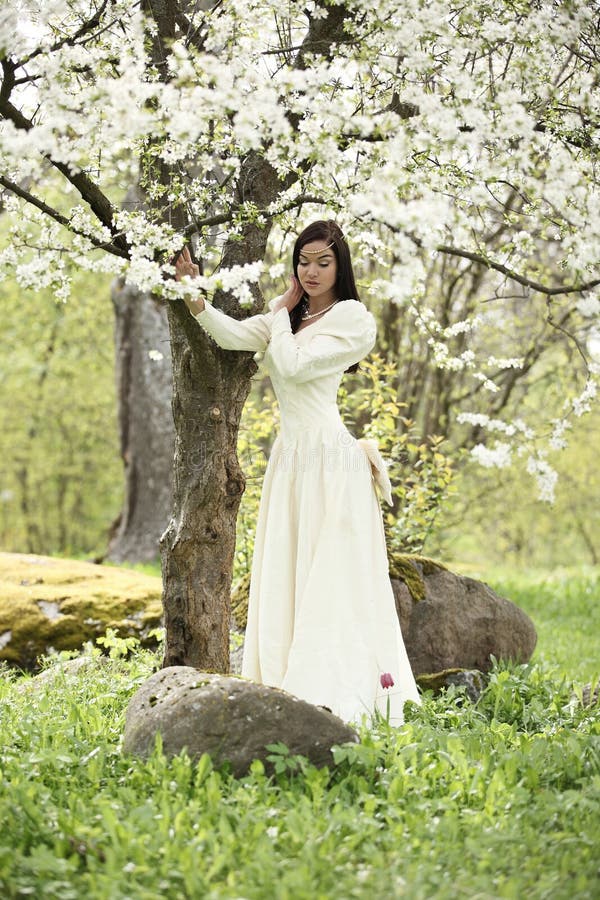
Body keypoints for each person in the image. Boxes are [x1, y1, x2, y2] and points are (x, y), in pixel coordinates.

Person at [175, 220, 420, 725]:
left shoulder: (353, 319)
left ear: (340, 266)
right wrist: (193, 294)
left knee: (330, 577)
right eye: (303, 261)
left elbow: (291, 368)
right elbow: (233, 335)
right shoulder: (289, 316)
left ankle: (338, 692)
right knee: (289, 569)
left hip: (331, 463)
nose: (310, 271)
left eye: (322, 262)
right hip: (292, 460)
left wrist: (279, 314)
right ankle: (284, 684)